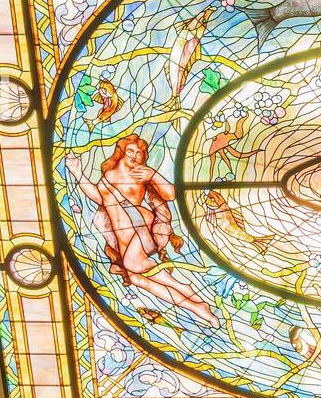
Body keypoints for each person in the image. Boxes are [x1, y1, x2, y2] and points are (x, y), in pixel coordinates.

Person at [65, 135, 218, 326]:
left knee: (132, 265)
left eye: (139, 152)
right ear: (121, 152)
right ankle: (197, 306)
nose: (134, 156)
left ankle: (193, 301)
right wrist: (77, 173)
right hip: (121, 231)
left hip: (139, 225)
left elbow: (170, 194)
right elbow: (99, 198)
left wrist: (152, 175)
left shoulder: (140, 173)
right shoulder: (109, 176)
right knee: (138, 279)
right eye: (130, 151)